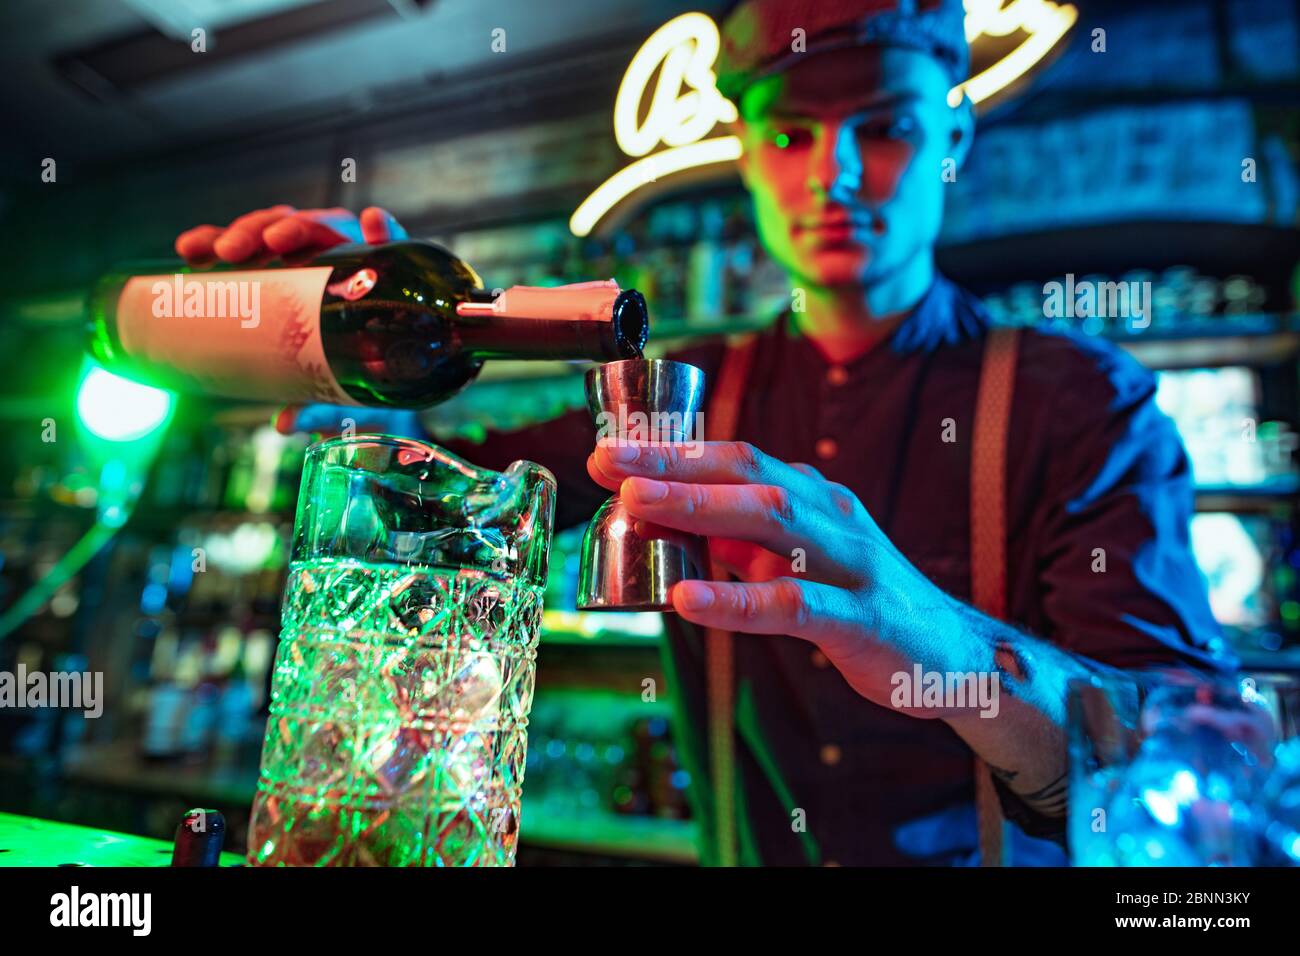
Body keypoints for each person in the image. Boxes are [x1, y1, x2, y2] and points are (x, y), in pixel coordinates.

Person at [174, 0, 1229, 865]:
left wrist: (946, 642)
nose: (834, 175)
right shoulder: (678, 394)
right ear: (744, 154)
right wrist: (325, 363)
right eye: (788, 134)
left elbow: (1190, 760)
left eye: (888, 126)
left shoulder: (1082, 401)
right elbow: (445, 507)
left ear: (952, 136)